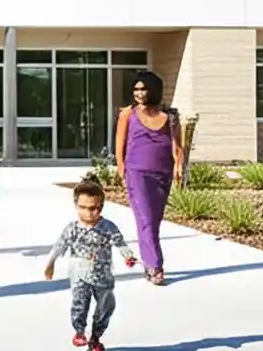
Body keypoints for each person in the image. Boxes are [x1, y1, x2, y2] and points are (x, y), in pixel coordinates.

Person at [44, 180, 137, 351]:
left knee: (106, 306)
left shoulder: (107, 227)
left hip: (103, 276)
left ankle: (95, 337)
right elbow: (60, 245)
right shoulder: (73, 228)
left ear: (101, 206)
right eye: (83, 207)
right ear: (76, 205)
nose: (89, 213)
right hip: (79, 273)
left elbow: (120, 243)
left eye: (94, 208)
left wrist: (128, 256)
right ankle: (79, 331)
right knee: (80, 302)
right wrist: (50, 263)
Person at [114, 70, 182, 286]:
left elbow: (177, 146)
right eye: (136, 89)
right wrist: (121, 167)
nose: (139, 93)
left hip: (163, 173)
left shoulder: (169, 117)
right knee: (145, 220)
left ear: (154, 90)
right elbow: (120, 143)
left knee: (154, 221)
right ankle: (155, 266)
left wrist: (179, 167)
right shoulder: (128, 114)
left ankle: (149, 262)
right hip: (137, 172)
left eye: (144, 88)